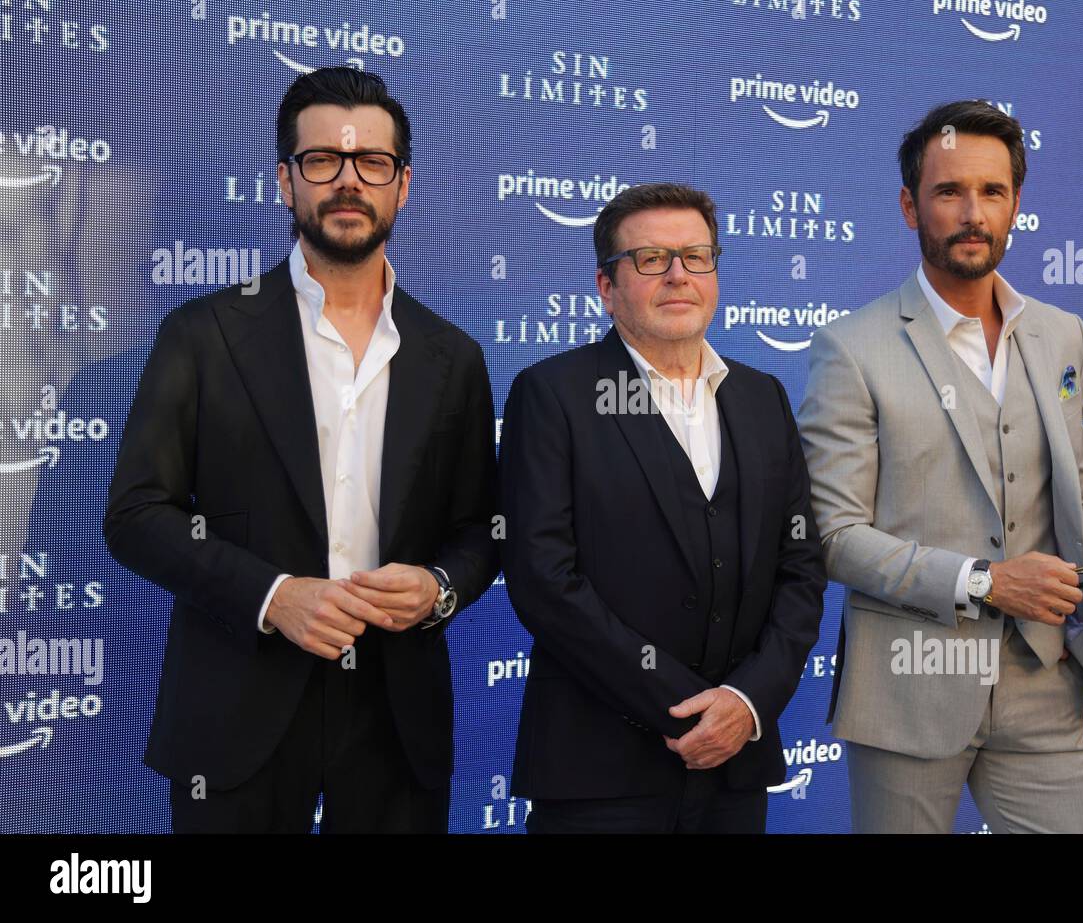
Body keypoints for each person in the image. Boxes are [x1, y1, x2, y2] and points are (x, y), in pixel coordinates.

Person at [104, 66, 498, 833]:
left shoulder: (454, 356)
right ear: (286, 182)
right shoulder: (204, 333)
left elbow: (484, 528)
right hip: (233, 709)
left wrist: (439, 587)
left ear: (402, 185)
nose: (347, 182)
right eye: (322, 161)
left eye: (371, 164)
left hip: (397, 717)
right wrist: (273, 596)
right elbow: (137, 514)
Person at [798, 100, 1083, 833]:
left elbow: (1078, 480)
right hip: (909, 687)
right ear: (911, 207)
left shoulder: (1061, 333)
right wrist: (985, 582)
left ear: (1015, 206)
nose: (972, 212)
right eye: (949, 192)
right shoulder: (852, 347)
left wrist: (1074, 571)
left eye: (992, 191)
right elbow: (834, 535)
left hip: (1044, 678)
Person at [500, 182, 826, 833]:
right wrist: (687, 707)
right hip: (598, 776)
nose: (678, 275)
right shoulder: (552, 394)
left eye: (696, 257)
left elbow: (802, 570)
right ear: (606, 286)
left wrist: (744, 703)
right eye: (650, 259)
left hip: (737, 768)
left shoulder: (763, 398)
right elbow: (544, 580)